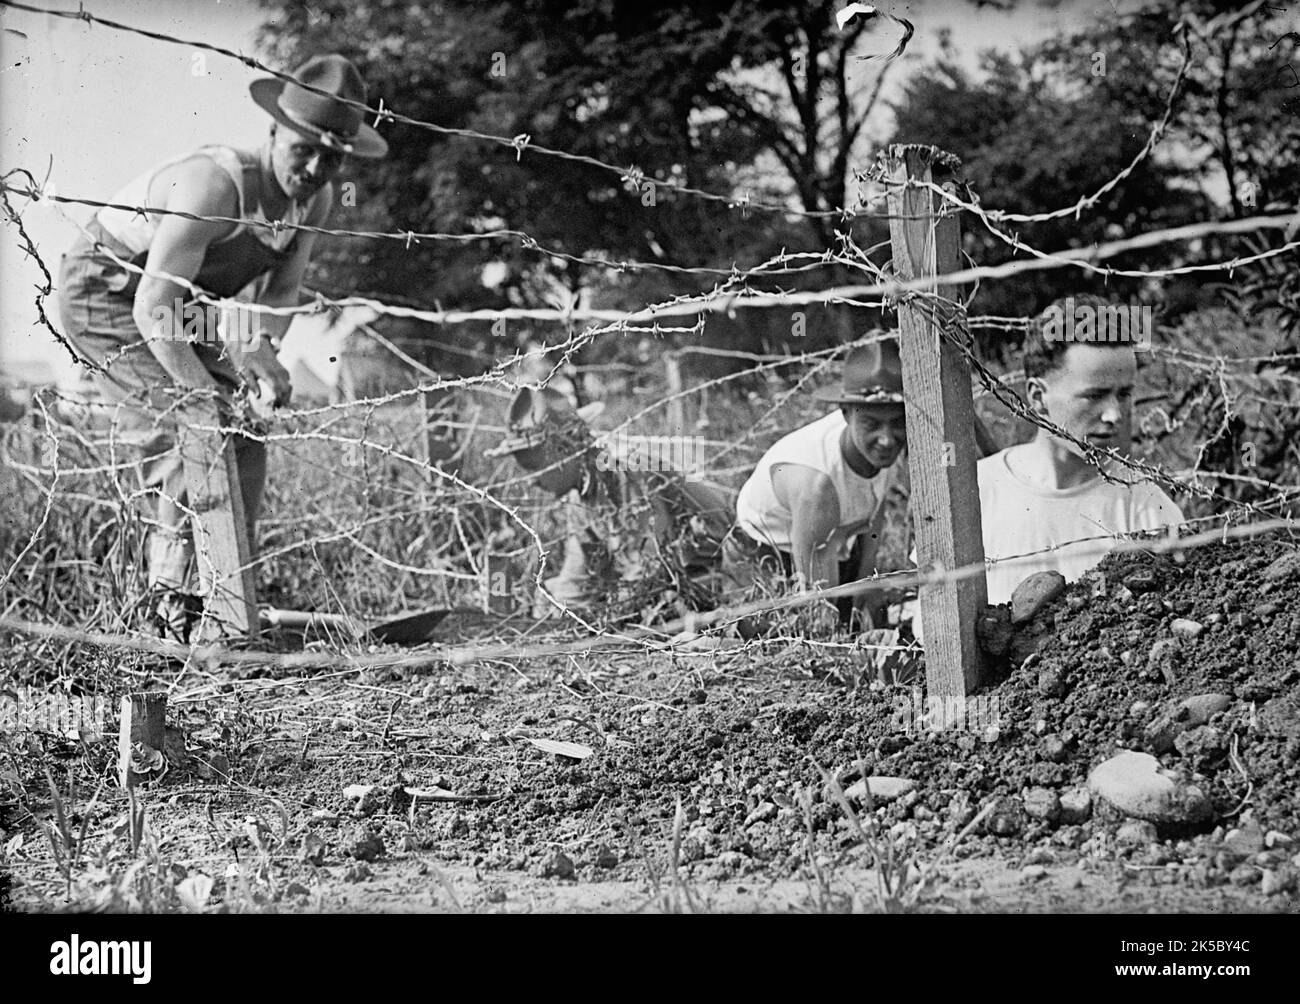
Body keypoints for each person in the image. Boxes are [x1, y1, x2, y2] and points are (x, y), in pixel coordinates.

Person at [56, 54, 387, 639]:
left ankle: (232, 594)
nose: (313, 167)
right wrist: (200, 390)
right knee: (194, 425)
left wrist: (259, 350)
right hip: (111, 293)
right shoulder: (216, 183)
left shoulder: (315, 201)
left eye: (331, 157)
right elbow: (151, 302)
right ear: (273, 131)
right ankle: (171, 609)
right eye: (302, 149)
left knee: (247, 425)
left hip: (186, 308)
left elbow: (281, 291)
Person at [974, 294, 1186, 605]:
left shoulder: (1145, 508)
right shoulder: (975, 492)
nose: (1114, 414)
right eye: (1094, 396)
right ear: (1037, 397)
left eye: (1124, 394)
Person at [488, 387, 731, 624]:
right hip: (664, 586)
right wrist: (557, 620)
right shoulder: (580, 499)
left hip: (717, 574)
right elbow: (579, 580)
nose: (531, 482)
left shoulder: (625, 472)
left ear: (563, 451)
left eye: (534, 468)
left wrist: (600, 621)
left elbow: (652, 566)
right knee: (549, 596)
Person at [724, 337, 910, 631]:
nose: (887, 439)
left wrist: (867, 588)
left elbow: (874, 509)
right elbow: (817, 596)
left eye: (897, 423)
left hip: (836, 539)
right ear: (846, 414)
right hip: (767, 555)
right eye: (872, 425)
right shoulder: (817, 484)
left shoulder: (880, 447)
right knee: (798, 630)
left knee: (872, 615)